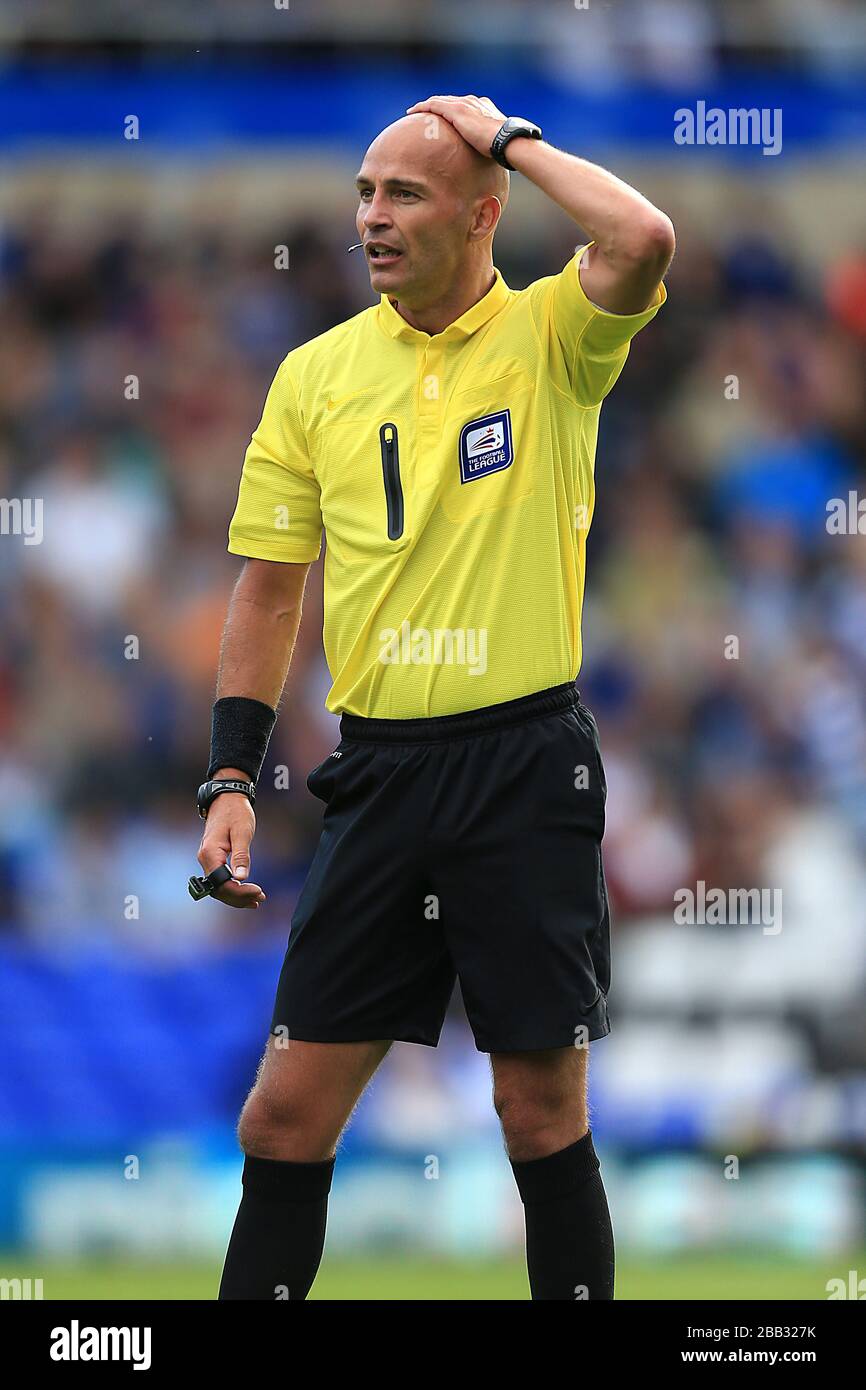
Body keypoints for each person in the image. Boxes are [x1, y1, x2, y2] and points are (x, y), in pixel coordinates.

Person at [197, 95, 674, 1300]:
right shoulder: (313, 378)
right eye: (364, 194)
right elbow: (266, 595)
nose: (371, 217)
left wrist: (510, 135)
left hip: (523, 764)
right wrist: (231, 775)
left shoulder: (554, 336)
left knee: (536, 1108)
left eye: (402, 193)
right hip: (377, 774)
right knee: (282, 1115)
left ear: (484, 212)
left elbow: (642, 239)